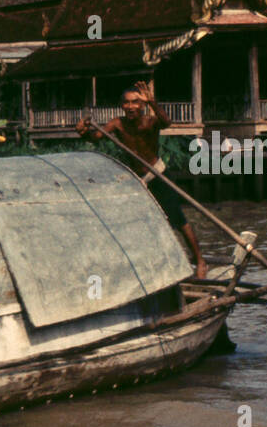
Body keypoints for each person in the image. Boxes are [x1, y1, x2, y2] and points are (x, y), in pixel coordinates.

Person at [77, 82, 207, 279]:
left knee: (178, 220)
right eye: (127, 103)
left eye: (136, 102)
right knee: (144, 223)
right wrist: (83, 130)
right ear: (122, 105)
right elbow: (96, 136)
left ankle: (200, 261)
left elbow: (166, 123)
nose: (131, 107)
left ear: (142, 105)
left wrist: (153, 102)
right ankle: (156, 265)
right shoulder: (117, 123)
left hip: (158, 174)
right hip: (138, 180)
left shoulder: (150, 121)